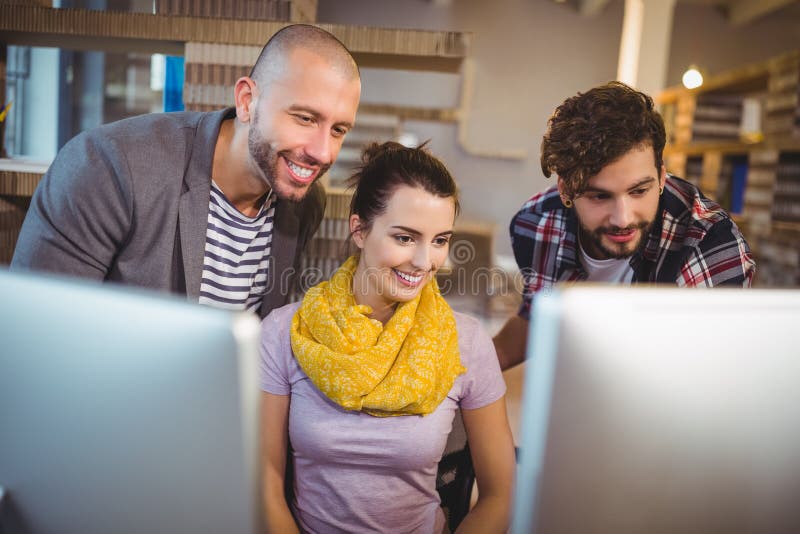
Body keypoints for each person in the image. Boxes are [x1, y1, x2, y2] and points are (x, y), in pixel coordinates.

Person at [11, 24, 361, 317]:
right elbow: (38, 334)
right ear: (246, 101)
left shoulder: (303, 201)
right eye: (304, 118)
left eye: (338, 130)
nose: (322, 151)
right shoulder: (107, 166)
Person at [259, 142, 515, 533]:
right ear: (359, 229)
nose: (424, 261)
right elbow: (264, 483)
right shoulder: (286, 332)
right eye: (405, 238)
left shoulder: (466, 342)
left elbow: (501, 494)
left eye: (440, 240)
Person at [494, 81, 756, 370]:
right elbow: (538, 321)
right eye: (599, 196)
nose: (623, 218)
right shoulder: (535, 224)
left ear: (661, 176)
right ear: (566, 190)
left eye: (639, 191)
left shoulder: (709, 242)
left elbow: (710, 373)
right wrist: (463, 371)